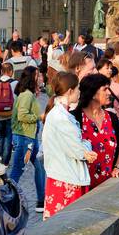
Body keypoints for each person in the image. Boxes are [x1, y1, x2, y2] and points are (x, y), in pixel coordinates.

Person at [40, 71, 98, 218]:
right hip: (67, 176)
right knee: (67, 223)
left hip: (63, 174)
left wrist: (84, 146)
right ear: (70, 91)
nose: (79, 92)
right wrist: (87, 146)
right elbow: (77, 150)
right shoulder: (61, 117)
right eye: (78, 88)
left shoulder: (59, 114)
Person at [75, 72, 119, 188]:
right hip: (82, 186)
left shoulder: (111, 117)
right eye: (105, 89)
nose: (109, 93)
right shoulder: (76, 117)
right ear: (92, 93)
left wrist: (117, 168)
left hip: (108, 185)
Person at [9, 65, 45, 213]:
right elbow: (22, 116)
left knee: (39, 167)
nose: (41, 78)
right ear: (33, 77)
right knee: (17, 170)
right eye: (38, 75)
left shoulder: (28, 94)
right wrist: (39, 117)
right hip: (25, 139)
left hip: (29, 138)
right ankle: (7, 199)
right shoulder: (27, 95)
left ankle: (41, 200)